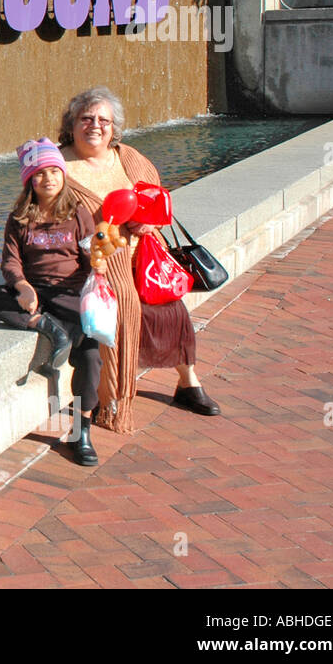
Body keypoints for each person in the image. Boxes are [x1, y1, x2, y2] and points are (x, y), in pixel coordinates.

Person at [57, 86, 221, 435]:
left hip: (143, 256)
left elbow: (157, 201)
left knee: (172, 309)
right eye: (86, 119)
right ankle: (110, 397)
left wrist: (147, 220)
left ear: (114, 127)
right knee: (125, 304)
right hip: (90, 263)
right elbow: (41, 216)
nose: (95, 126)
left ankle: (188, 381)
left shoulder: (129, 157)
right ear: (71, 124)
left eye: (104, 120)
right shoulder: (57, 165)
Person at [0, 137, 103, 466]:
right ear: (30, 180)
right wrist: (21, 286)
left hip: (71, 292)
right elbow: (10, 263)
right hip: (37, 293)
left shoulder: (77, 213)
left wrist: (98, 265)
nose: (48, 179)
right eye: (40, 173)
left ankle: (81, 430)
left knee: (89, 352)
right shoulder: (19, 218)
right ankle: (47, 327)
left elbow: (90, 254)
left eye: (53, 172)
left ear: (62, 175)